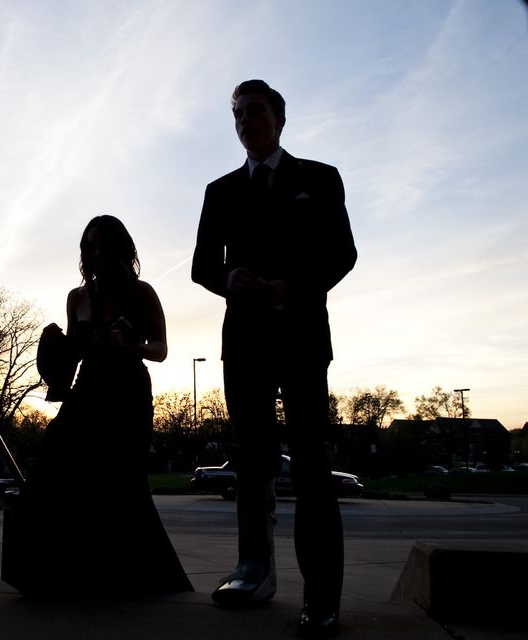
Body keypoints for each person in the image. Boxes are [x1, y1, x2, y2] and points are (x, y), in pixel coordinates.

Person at [191, 80, 357, 637]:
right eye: (236, 113)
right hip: (244, 343)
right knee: (252, 458)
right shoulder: (219, 191)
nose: (244, 120)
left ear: (279, 117)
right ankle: (253, 572)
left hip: (303, 336)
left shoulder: (319, 178)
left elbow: (343, 253)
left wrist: (292, 288)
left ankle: (322, 596)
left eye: (254, 110)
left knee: (311, 463)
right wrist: (227, 277)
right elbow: (201, 266)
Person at [3, 214, 193, 599]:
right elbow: (75, 352)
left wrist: (133, 346)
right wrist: (55, 350)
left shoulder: (142, 293)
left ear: (122, 248)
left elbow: (160, 348)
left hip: (127, 391)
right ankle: (52, 576)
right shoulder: (78, 297)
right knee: (54, 465)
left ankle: (124, 581)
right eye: (89, 245)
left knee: (120, 483)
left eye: (103, 243)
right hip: (87, 388)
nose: (95, 252)